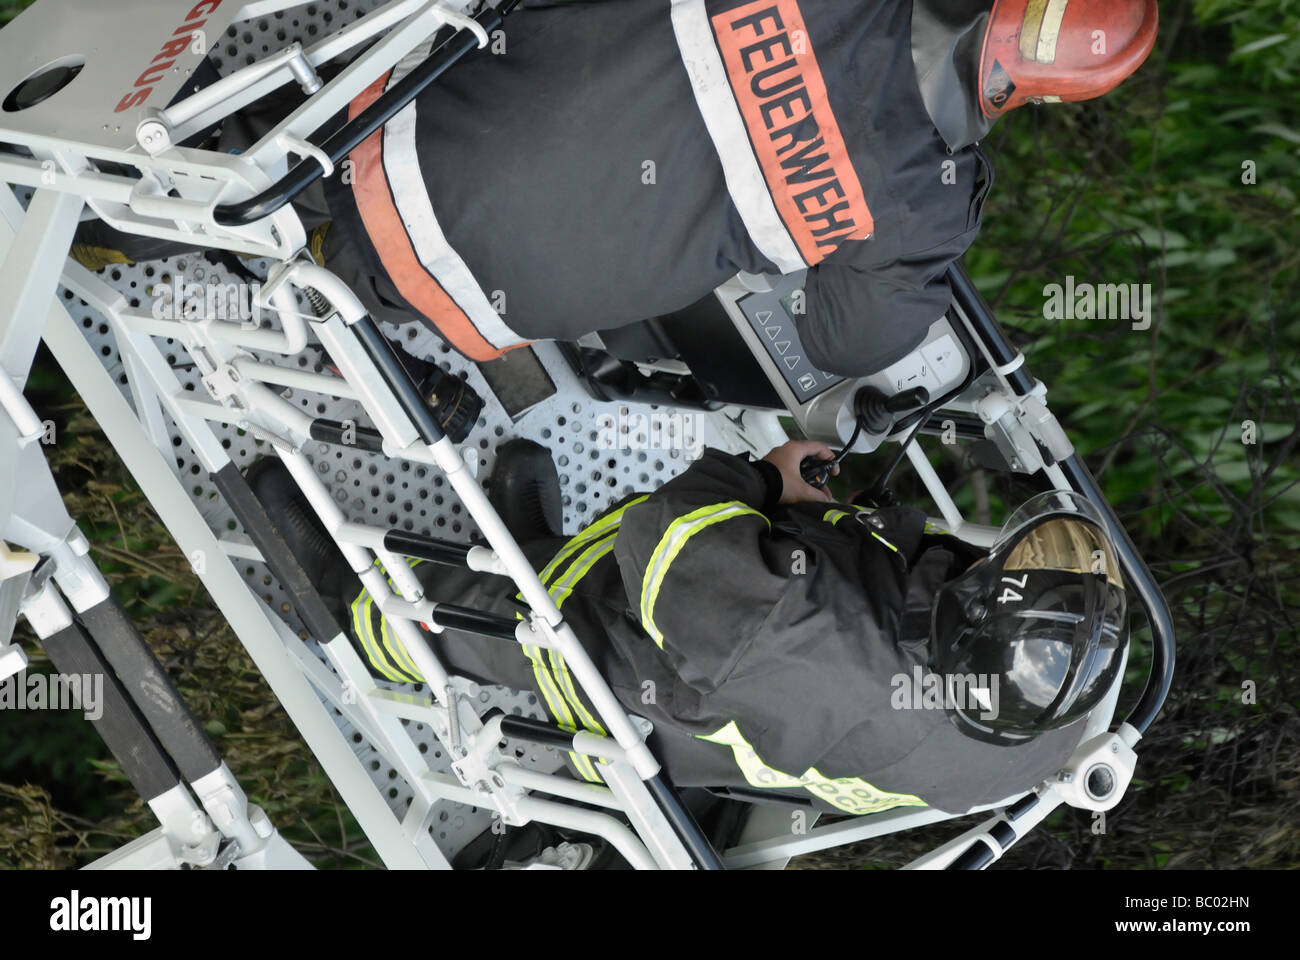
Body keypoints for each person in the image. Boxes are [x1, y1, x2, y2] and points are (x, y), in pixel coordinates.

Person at [76, 0, 1159, 378]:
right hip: (445, 290)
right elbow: (841, 345)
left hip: (381, 114)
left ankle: (110, 162)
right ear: (1047, 95)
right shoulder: (924, 211)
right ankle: (121, 249)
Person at [250, 435, 1129, 820]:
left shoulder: (806, 633)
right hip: (743, 713)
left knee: (544, 611)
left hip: (636, 674)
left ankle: (342, 606)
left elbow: (669, 534)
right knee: (631, 572)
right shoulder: (1038, 728)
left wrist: (765, 478)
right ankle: (525, 541)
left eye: (998, 572)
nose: (990, 559)